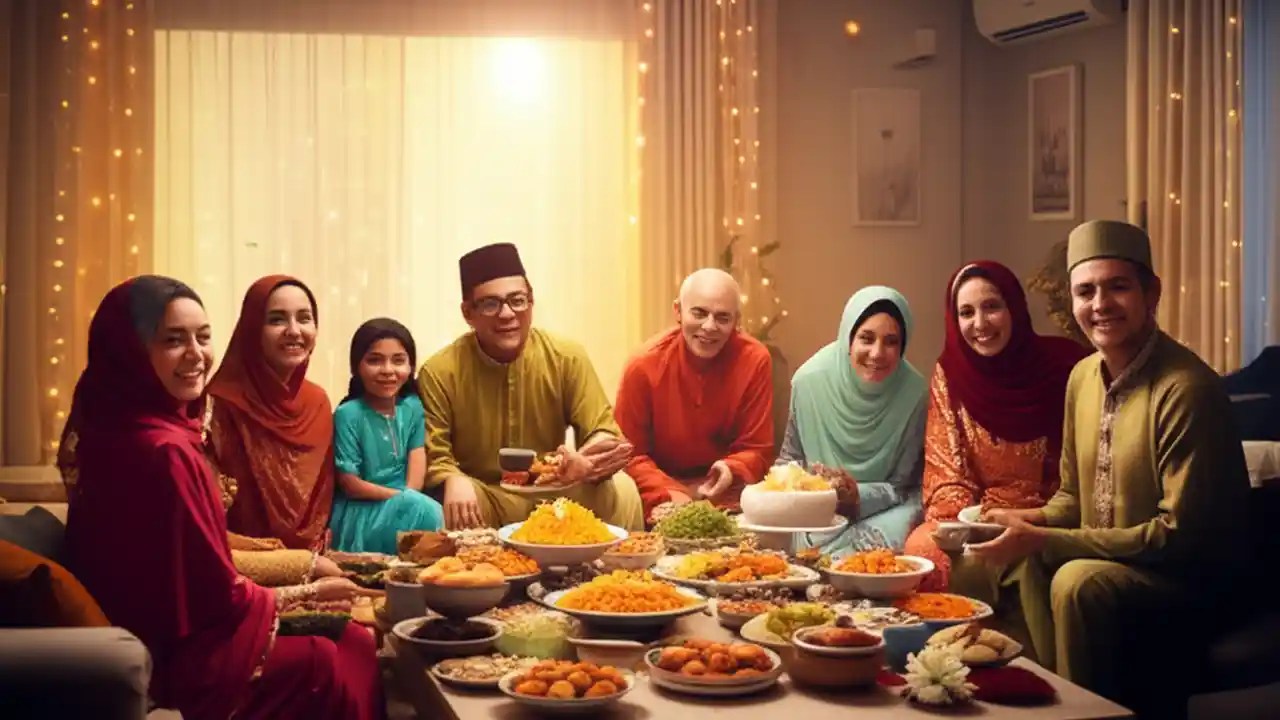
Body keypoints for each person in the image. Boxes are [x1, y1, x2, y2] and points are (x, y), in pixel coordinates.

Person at [958, 221, 1251, 708]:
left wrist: (1050, 538)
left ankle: (1085, 712)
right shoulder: (1082, 378)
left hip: (1185, 580)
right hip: (1110, 559)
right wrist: (1025, 521)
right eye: (1085, 291)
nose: (1100, 305)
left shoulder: (1185, 388)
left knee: (1077, 582)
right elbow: (1073, 497)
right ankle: (1048, 699)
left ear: (1150, 292)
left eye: (1117, 287)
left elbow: (1176, 536)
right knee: (997, 558)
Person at [61, 276, 382, 720]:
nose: (196, 355)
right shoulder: (168, 450)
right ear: (131, 351)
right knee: (336, 652)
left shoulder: (123, 425)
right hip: (180, 652)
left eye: (203, 336)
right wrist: (305, 590)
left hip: (158, 633)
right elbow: (216, 595)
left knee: (350, 636)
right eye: (173, 340)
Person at [417, 243, 645, 530]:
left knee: (622, 489)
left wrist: (583, 459)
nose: (507, 314)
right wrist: (453, 478)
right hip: (488, 499)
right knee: (454, 503)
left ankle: (621, 574)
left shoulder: (566, 356)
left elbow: (602, 429)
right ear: (467, 313)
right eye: (490, 304)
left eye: (517, 300)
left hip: (559, 494)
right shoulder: (439, 372)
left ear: (531, 301)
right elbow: (435, 455)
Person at [903, 261, 1088, 590]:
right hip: (979, 518)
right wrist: (972, 522)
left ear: (1014, 308)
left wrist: (1033, 518)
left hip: (1052, 519)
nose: (980, 323)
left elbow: (1083, 477)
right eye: (966, 312)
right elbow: (947, 473)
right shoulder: (950, 373)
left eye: (991, 307)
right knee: (923, 548)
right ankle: (954, 640)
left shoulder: (1067, 366)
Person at [615, 268, 775, 523]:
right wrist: (672, 494)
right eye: (699, 313)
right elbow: (629, 454)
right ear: (678, 311)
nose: (709, 327)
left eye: (723, 318)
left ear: (737, 321)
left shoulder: (754, 360)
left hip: (725, 495)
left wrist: (729, 469)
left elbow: (757, 447)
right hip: (661, 495)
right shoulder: (643, 366)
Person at [781, 286, 927, 554]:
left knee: (874, 546)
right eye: (866, 338)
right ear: (848, 339)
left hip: (887, 509)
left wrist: (858, 496)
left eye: (891, 342)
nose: (876, 353)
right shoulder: (809, 382)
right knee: (792, 542)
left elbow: (904, 484)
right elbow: (790, 460)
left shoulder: (915, 394)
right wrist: (821, 494)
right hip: (817, 507)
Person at [207, 275, 335, 550]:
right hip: (241, 562)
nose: (294, 330)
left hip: (319, 559)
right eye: (277, 320)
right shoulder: (219, 404)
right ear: (252, 329)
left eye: (304, 318)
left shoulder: (318, 403)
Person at [329, 318, 445, 553]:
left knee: (426, 510)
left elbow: (416, 469)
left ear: (411, 366)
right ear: (356, 367)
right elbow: (350, 484)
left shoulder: (412, 407)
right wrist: (400, 498)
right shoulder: (347, 414)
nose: (388, 370)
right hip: (363, 509)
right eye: (375, 360)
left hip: (407, 502)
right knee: (427, 511)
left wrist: (408, 499)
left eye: (399, 360)